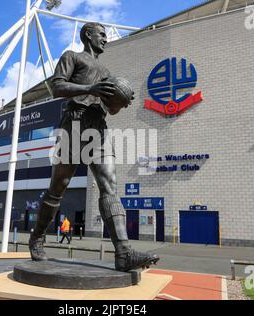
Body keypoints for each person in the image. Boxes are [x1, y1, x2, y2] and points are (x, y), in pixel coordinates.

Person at [29, 22, 159, 272]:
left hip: (97, 126)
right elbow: (57, 87)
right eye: (102, 35)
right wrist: (89, 88)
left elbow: (110, 107)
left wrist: (120, 102)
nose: (105, 40)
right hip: (74, 123)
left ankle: (123, 253)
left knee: (109, 185)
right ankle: (37, 237)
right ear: (88, 35)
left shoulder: (107, 72)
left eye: (106, 36)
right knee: (59, 186)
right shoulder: (72, 57)